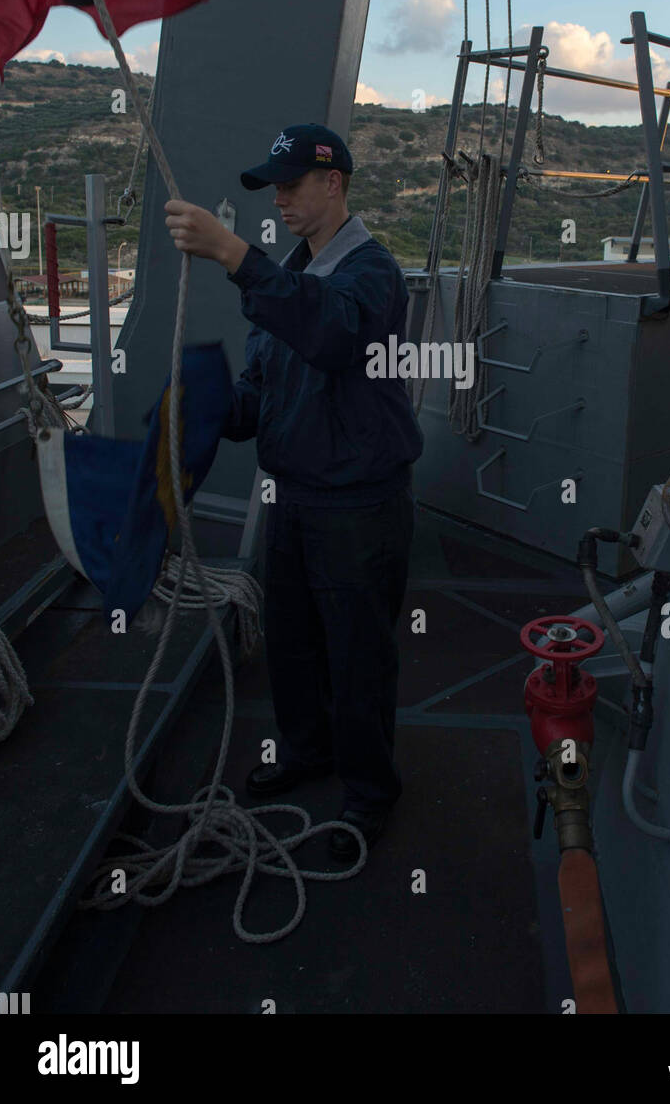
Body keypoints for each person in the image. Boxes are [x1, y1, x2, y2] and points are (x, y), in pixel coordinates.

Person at [164, 122, 423, 859]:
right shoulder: (288, 275)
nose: (279, 198)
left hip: (359, 504)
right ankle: (308, 752)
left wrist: (231, 254)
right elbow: (263, 390)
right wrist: (210, 409)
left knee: (357, 656)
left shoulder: (371, 273)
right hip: (296, 497)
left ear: (333, 182)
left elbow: (334, 336)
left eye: (291, 184)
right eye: (272, 187)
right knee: (295, 646)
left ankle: (370, 793)